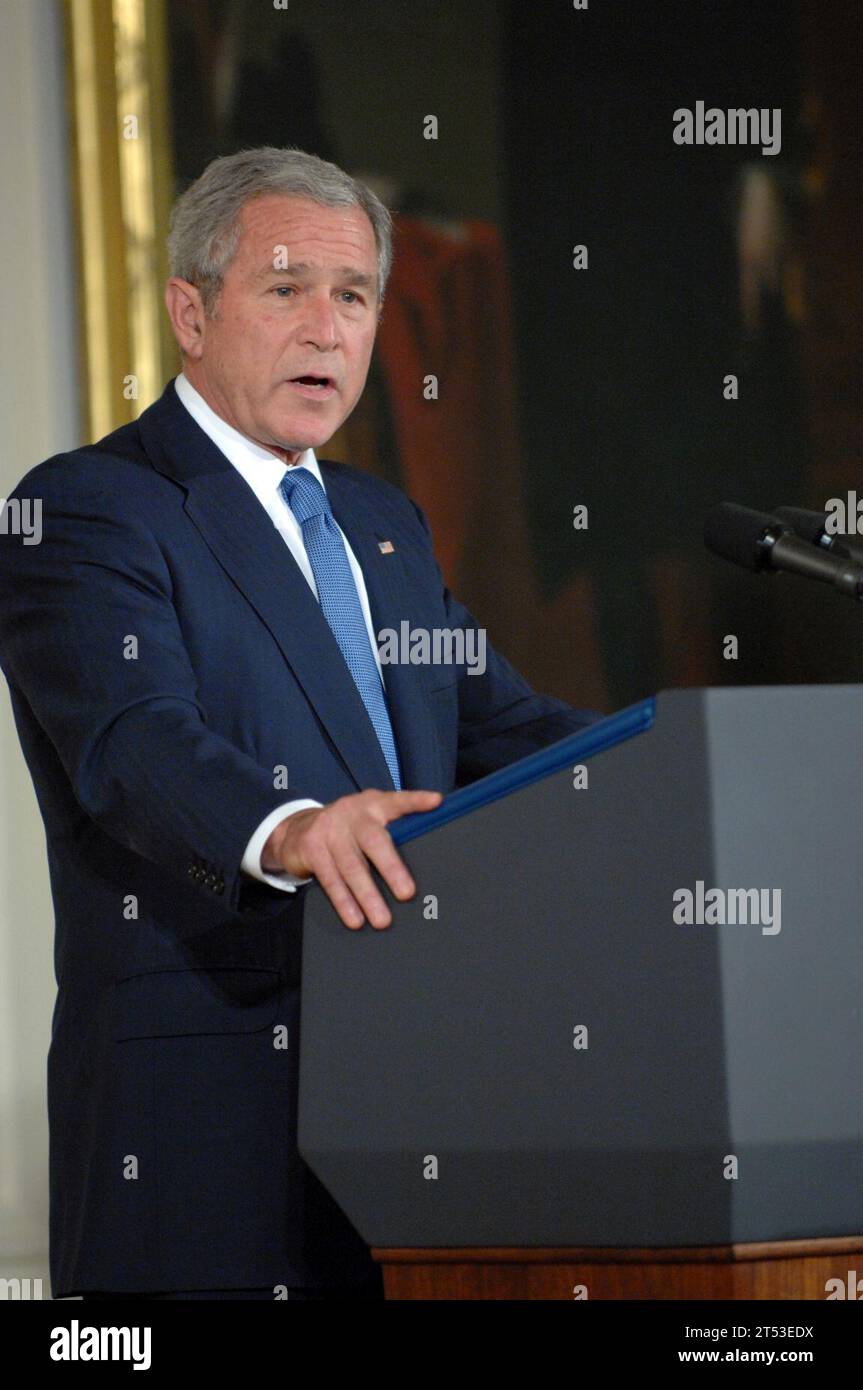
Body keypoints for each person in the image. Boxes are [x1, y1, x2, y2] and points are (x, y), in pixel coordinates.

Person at [0, 146, 597, 1300]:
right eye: (285, 289)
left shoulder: (379, 521)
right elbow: (132, 738)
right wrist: (288, 827)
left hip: (414, 1096)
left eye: (356, 295)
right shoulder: (84, 508)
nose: (327, 329)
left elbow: (508, 728)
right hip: (203, 1110)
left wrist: (712, 777)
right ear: (189, 310)